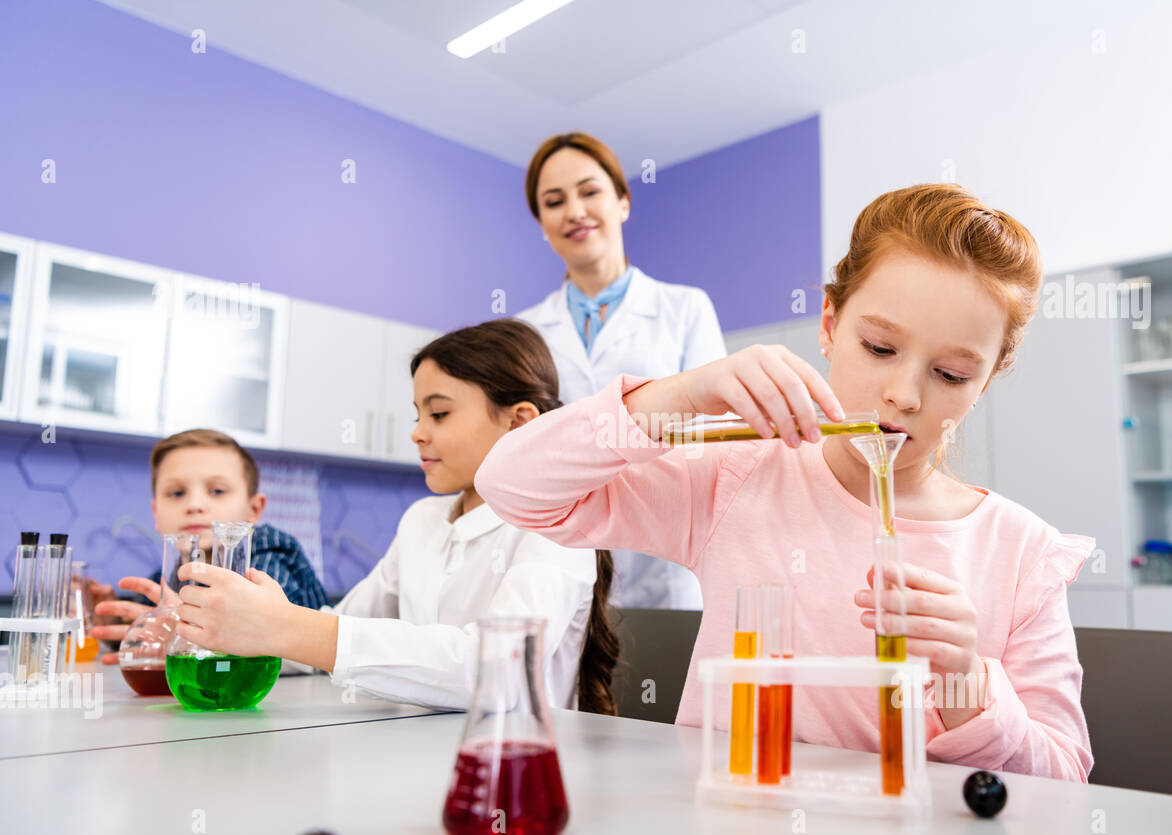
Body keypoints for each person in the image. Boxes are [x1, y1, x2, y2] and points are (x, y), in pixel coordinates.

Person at [477, 183, 1096, 782]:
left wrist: (966, 680)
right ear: (829, 323)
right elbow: (511, 483)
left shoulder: (1022, 554)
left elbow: (1064, 779)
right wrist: (681, 393)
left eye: (952, 374)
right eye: (880, 347)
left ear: (984, 383)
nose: (903, 396)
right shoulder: (740, 475)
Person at [168, 319, 619, 713]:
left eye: (439, 413)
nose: (417, 433)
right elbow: (334, 628)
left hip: (513, 772)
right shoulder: (423, 520)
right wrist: (215, 628)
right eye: (418, 414)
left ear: (518, 422)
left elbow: (496, 666)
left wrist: (289, 627)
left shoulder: (558, 525)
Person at [517, 131, 727, 612]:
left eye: (589, 192)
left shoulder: (684, 309)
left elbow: (714, 437)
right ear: (542, 223)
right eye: (554, 201)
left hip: (667, 560)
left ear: (623, 202)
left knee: (667, 681)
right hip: (557, 565)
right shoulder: (524, 330)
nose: (574, 211)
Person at [90, 429, 327, 671]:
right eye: (177, 493)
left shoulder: (270, 549)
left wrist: (177, 632)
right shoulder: (169, 575)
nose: (194, 505)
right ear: (156, 514)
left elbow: (259, 626)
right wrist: (115, 626)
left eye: (217, 491)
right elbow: (153, 637)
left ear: (253, 510)